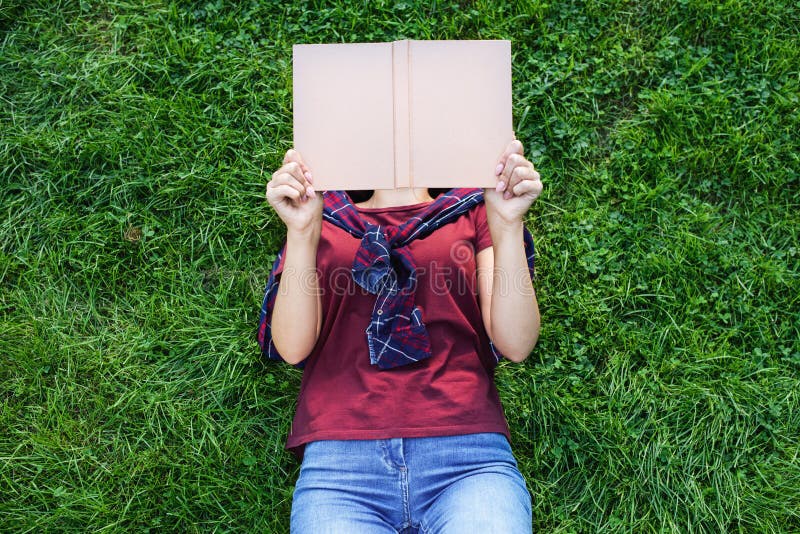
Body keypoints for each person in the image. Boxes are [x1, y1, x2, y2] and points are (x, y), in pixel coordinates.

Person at [259, 139, 542, 533]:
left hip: (467, 457)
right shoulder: (321, 213)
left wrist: (508, 224)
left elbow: (517, 342)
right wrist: (302, 231)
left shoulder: (476, 209)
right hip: (342, 469)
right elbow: (292, 347)